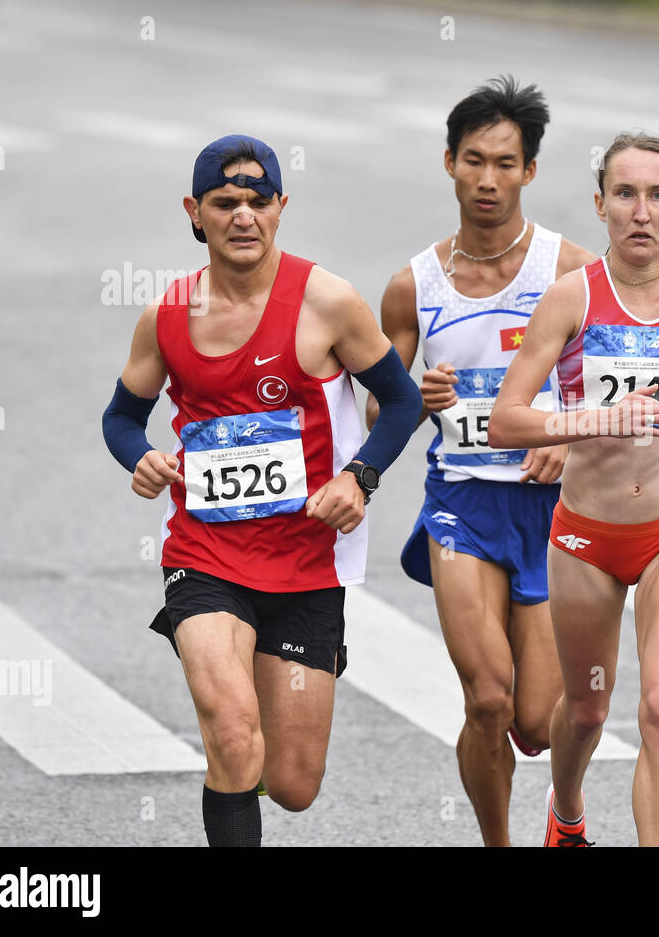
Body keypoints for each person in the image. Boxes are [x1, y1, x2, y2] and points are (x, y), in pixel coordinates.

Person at [102, 135, 422, 846]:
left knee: (293, 784)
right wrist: (144, 457)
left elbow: (400, 405)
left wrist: (359, 476)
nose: (243, 217)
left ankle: (252, 746)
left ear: (281, 207)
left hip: (305, 564)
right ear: (196, 212)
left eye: (258, 201)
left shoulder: (329, 301)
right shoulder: (168, 314)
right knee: (234, 735)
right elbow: (122, 417)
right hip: (205, 553)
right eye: (225, 203)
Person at [489, 132, 659, 847]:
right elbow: (503, 424)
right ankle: (567, 812)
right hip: (587, 535)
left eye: (658, 195)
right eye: (627, 195)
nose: (642, 212)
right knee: (584, 712)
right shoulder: (570, 300)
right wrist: (593, 420)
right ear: (601, 206)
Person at [363, 75, 593, 847]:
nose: (487, 179)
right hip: (462, 501)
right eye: (473, 160)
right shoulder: (413, 287)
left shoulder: (571, 272)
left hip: (554, 513)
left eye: (505, 162)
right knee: (488, 702)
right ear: (449, 164)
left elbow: (616, 386)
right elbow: (377, 406)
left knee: (535, 720)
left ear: (530, 170)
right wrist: (413, 397)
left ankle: (563, 811)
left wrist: (566, 437)